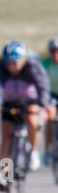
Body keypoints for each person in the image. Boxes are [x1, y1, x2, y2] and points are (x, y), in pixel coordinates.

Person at [0, 40, 48, 183]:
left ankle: (32, 151)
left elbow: (42, 86)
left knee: (33, 120)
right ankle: (5, 174)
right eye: (7, 63)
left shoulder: (32, 66)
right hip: (9, 102)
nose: (11, 67)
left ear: (22, 60)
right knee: (6, 136)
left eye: (14, 63)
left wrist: (43, 106)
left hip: (29, 100)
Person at [40, 37, 58, 165]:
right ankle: (47, 151)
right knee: (50, 119)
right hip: (50, 94)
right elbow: (40, 82)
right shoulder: (45, 64)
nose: (55, 54)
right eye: (53, 51)